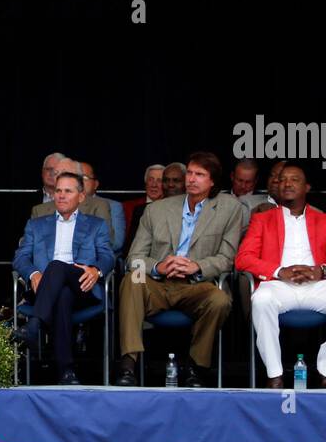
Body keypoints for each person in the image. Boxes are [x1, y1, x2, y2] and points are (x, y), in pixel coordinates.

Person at [116, 152, 244, 387]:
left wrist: (196, 266)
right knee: (131, 278)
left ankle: (195, 366)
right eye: (190, 173)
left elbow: (227, 258)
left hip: (197, 284)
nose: (192, 179)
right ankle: (128, 364)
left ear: (213, 181)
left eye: (200, 175)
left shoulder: (230, 209)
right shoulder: (157, 209)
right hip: (158, 283)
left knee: (220, 299)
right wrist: (158, 266)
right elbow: (133, 258)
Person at [235, 162, 326, 388]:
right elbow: (243, 258)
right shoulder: (262, 219)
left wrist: (321, 270)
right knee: (261, 300)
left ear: (307, 187)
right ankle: (275, 375)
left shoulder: (325, 220)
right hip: (278, 284)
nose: (287, 183)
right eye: (283, 179)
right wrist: (279, 271)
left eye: (294, 179)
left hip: (316, 284)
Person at [12, 171, 115, 385]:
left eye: (68, 191)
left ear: (81, 196)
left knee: (58, 266)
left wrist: (96, 270)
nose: (61, 195)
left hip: (83, 285)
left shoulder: (96, 225)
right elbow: (20, 258)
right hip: (46, 289)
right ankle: (67, 372)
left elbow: (108, 256)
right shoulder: (37, 225)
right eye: (58, 190)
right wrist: (33, 273)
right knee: (63, 294)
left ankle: (35, 324)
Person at [31, 156, 115, 246]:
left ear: (79, 178)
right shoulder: (40, 210)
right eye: (56, 173)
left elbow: (106, 242)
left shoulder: (98, 206)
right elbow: (27, 243)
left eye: (65, 173)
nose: (59, 178)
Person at [80, 161, 126, 255]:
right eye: (76, 177)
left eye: (84, 177)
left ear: (96, 184)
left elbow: (117, 243)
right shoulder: (64, 204)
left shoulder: (113, 206)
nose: (79, 182)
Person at [121, 164, 164, 243]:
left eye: (159, 180)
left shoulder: (171, 208)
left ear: (165, 185)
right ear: (145, 183)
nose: (154, 185)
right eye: (151, 180)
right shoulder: (127, 207)